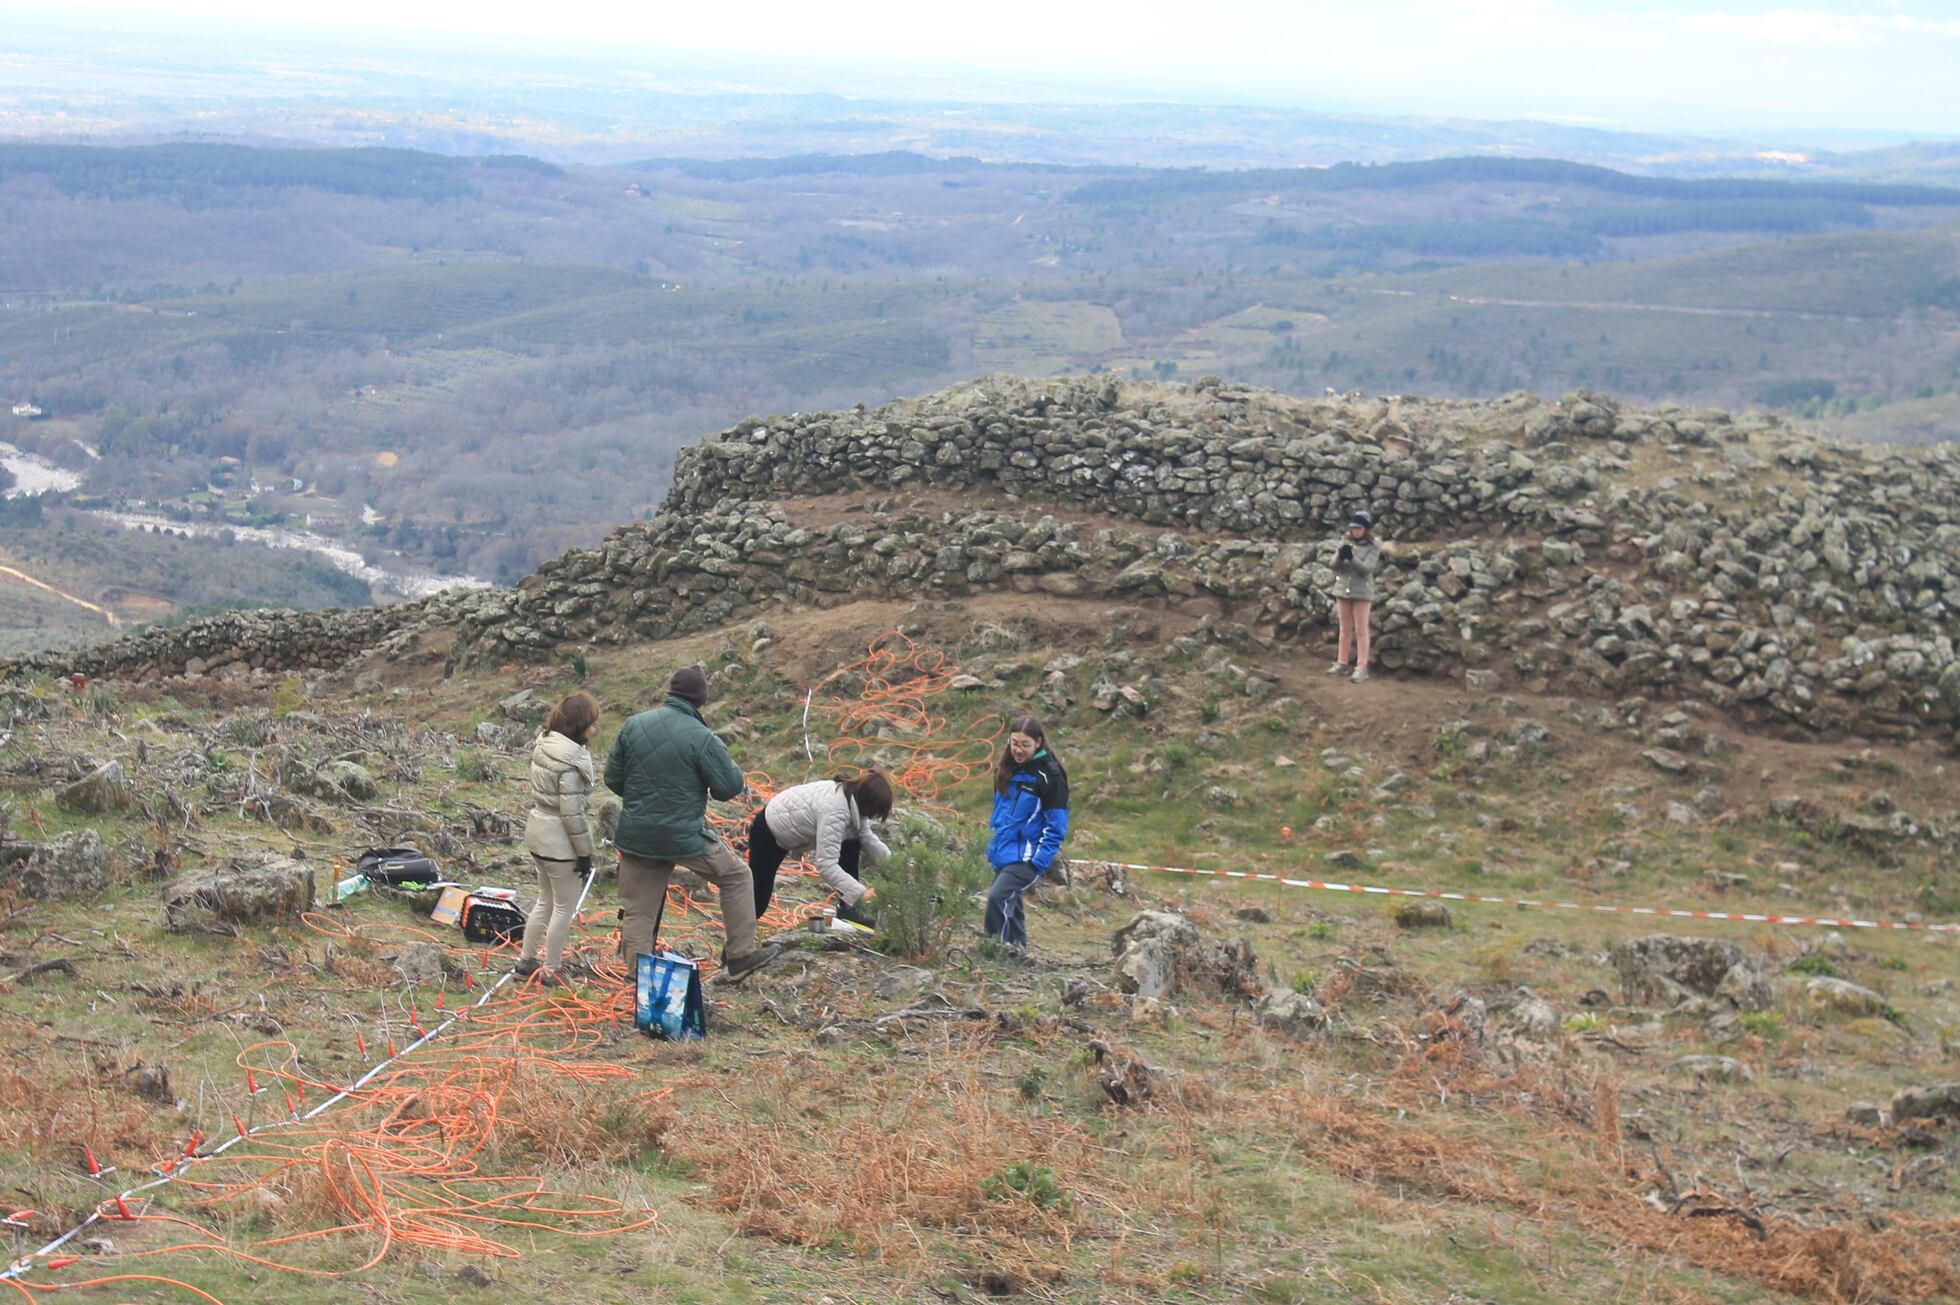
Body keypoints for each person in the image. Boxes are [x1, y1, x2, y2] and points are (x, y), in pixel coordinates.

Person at [603, 665, 782, 980]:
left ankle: (637, 977)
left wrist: (642, 802)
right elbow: (729, 787)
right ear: (701, 700)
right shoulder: (702, 737)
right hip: (684, 836)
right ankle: (740, 956)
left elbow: (613, 779)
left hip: (637, 833)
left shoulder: (633, 725)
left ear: (671, 693)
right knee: (737, 877)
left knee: (638, 910)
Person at [516, 691, 600, 987]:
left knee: (544, 901)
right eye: (591, 723)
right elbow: (572, 815)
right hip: (561, 845)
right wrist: (585, 853)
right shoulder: (572, 762)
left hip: (538, 834)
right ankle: (551, 969)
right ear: (579, 725)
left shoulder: (546, 745)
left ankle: (526, 960)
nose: (595, 729)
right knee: (564, 907)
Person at [748, 771, 894, 928]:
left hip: (786, 823)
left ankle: (848, 910)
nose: (871, 817)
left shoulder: (852, 799)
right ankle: (735, 951)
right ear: (867, 803)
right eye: (873, 813)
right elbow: (826, 864)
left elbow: (867, 837)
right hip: (769, 831)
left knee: (852, 841)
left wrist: (896, 865)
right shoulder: (836, 810)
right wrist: (861, 893)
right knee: (757, 902)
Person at [983, 717, 1070, 950]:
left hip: (1027, 857)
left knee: (996, 899)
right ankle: (1019, 952)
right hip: (1002, 851)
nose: (1018, 750)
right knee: (1011, 906)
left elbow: (1057, 827)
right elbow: (999, 813)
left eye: (1025, 745)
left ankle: (993, 952)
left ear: (1038, 743)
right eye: (1014, 743)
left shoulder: (1050, 776)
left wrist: (1039, 861)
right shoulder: (1006, 768)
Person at [1327, 509, 1381, 684]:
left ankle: (1361, 666)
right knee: (1344, 629)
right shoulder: (1345, 541)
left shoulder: (1373, 547)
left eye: (1358, 528)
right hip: (1343, 590)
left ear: (1365, 529)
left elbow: (1367, 569)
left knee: (1361, 629)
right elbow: (1333, 565)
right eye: (1353, 528)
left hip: (1362, 592)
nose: (1355, 531)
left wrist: (1352, 559)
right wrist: (1340, 557)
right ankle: (1342, 662)